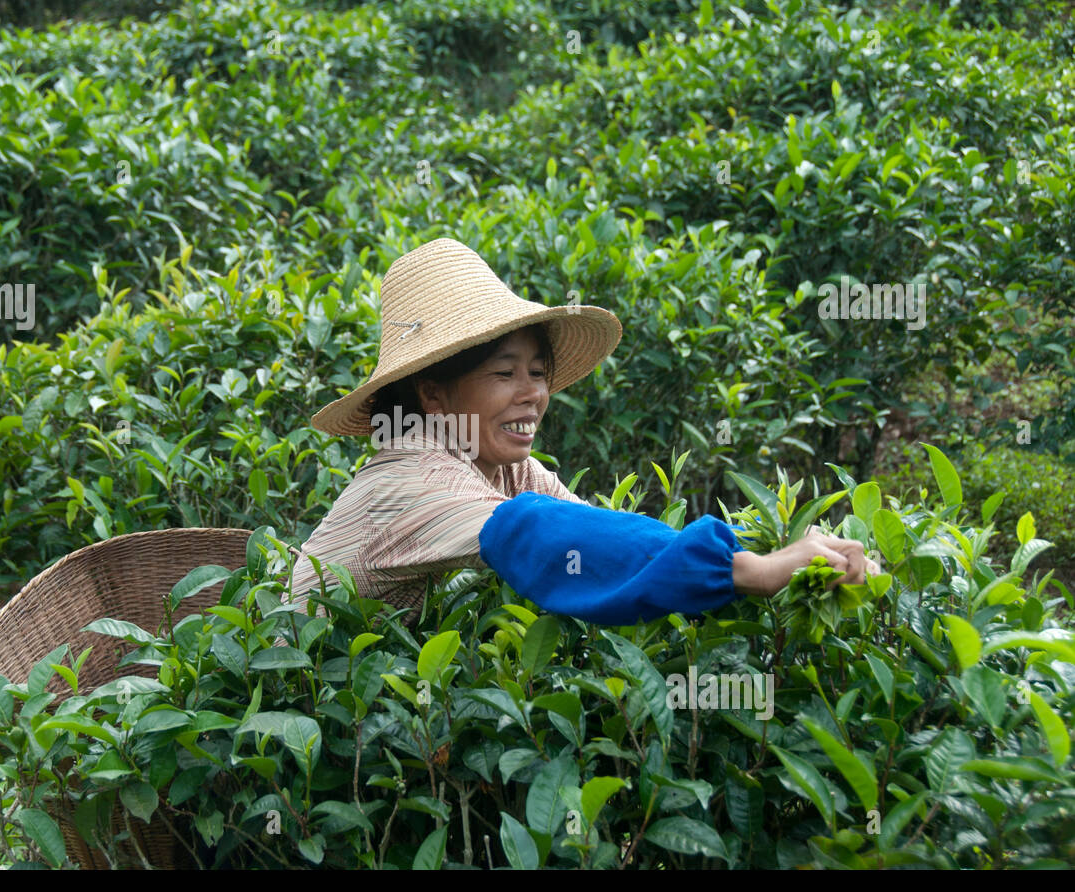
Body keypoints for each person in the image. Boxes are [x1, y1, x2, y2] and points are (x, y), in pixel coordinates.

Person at [285, 237, 878, 631]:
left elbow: (598, 535)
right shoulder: (406, 479)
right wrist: (748, 570)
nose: (534, 394)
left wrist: (776, 552)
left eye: (538, 373)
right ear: (433, 393)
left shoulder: (503, 467)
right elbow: (535, 532)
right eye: (504, 373)